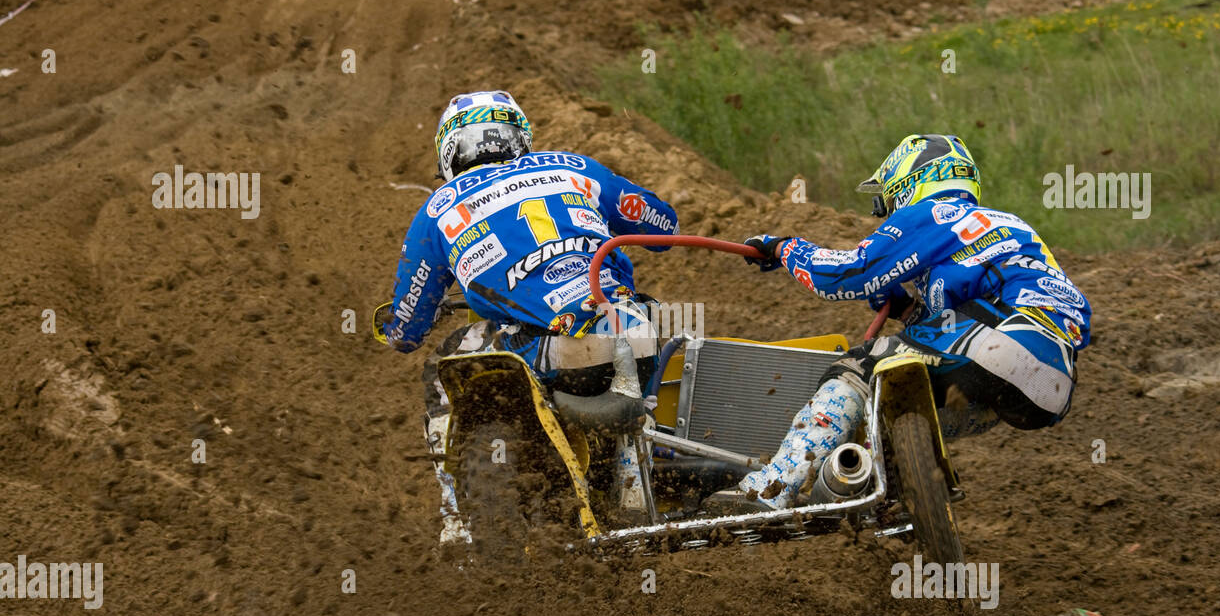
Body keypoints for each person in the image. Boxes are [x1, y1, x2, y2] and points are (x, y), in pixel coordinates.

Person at [706, 133, 1091, 514]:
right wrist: (905, 308)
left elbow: (844, 274)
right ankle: (901, 496)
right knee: (903, 396)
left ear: (910, 183)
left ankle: (769, 491)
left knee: (855, 370)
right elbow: (962, 317)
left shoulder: (936, 212)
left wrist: (783, 248)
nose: (887, 212)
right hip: (1051, 378)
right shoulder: (1009, 225)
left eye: (887, 200)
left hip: (1000, 338)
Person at [373, 90, 679, 539]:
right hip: (625, 324)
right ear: (518, 137)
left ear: (450, 151)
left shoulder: (437, 209)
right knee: (654, 320)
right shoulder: (573, 167)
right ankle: (650, 452)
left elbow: (406, 329)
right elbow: (664, 227)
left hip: (548, 347)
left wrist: (395, 328)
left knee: (446, 362)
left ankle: (456, 522)